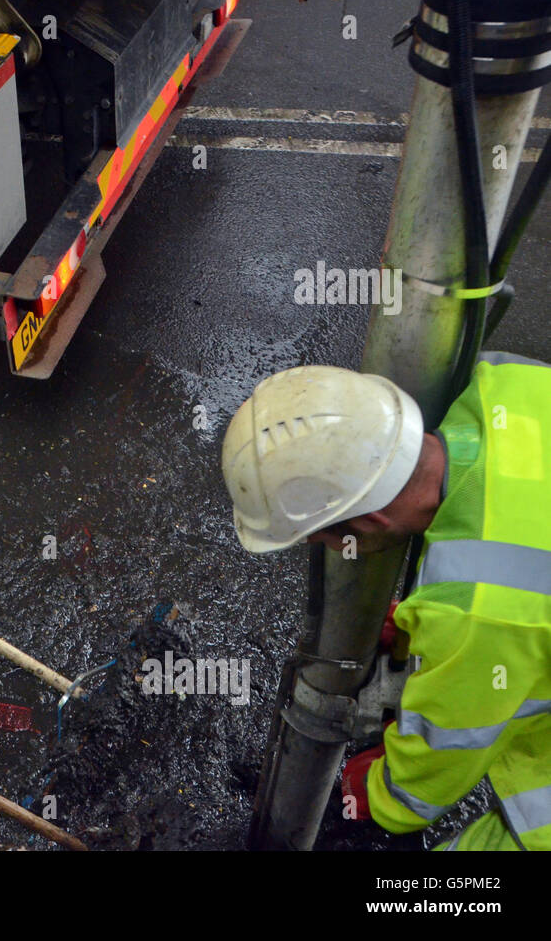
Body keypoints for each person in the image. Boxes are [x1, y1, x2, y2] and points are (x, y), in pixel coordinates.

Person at [220, 353, 551, 849]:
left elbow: (437, 766)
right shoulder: (501, 383)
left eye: (318, 538)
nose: (318, 548)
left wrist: (374, 792)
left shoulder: (477, 614)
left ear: (369, 524)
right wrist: (427, 624)